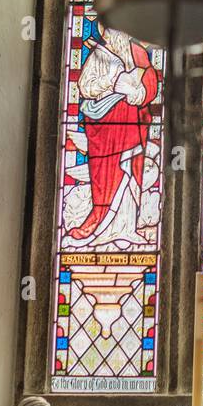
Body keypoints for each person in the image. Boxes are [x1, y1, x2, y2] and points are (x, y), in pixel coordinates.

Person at [67, 23, 158, 245]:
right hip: (105, 130)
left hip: (129, 128)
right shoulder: (99, 55)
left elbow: (148, 85)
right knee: (108, 175)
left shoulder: (133, 56)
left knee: (129, 171)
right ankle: (102, 225)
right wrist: (112, 83)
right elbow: (85, 86)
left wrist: (137, 93)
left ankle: (127, 226)